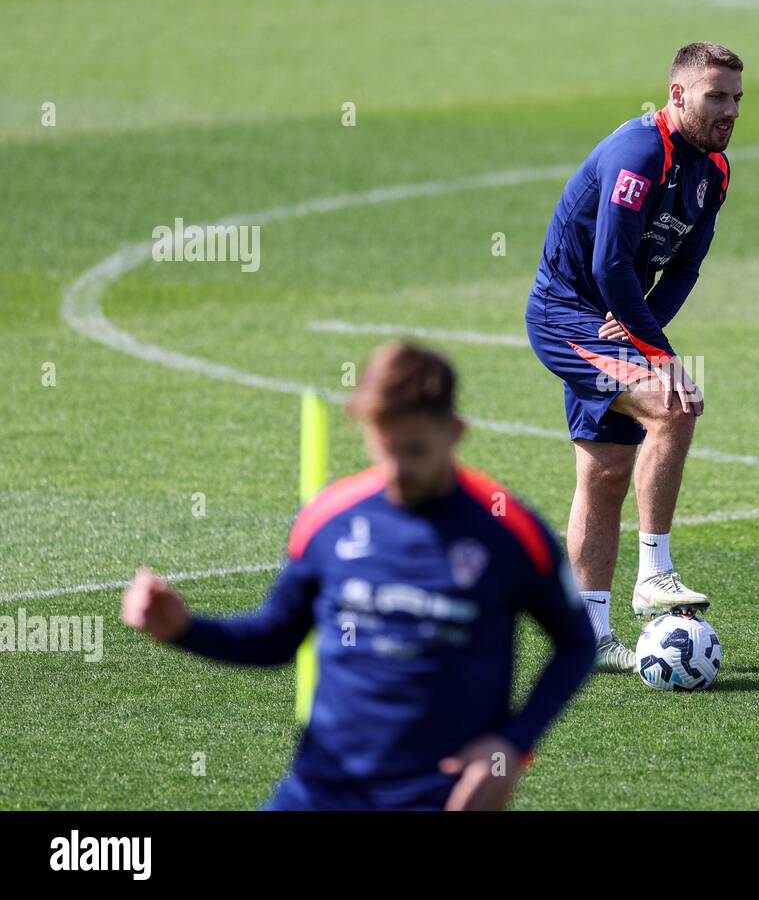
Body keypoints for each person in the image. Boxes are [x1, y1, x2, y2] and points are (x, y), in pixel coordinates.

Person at [122, 341, 594, 806]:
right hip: (320, 789)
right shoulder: (329, 520)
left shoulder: (509, 531)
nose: (398, 470)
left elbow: (576, 643)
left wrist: (513, 744)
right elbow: (275, 639)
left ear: (454, 431)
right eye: (386, 447)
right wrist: (184, 629)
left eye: (415, 450)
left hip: (439, 797)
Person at [525, 41, 742, 672]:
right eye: (715, 97)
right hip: (565, 317)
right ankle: (655, 571)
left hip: (612, 325)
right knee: (677, 404)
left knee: (606, 475)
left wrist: (638, 329)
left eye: (736, 99)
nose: (729, 111)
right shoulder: (639, 152)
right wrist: (658, 352)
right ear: (678, 95)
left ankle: (588, 639)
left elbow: (682, 270)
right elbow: (609, 265)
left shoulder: (715, 172)